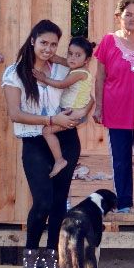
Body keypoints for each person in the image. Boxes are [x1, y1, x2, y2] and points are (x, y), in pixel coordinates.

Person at [2, 20, 82, 268]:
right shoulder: (15, 73)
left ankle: (51, 257)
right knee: (43, 202)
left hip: (66, 139)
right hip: (35, 141)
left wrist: (82, 112)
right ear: (32, 40)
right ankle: (30, 256)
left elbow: (81, 70)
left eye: (54, 44)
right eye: (43, 42)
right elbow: (15, 114)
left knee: (59, 203)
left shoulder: (61, 69)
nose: (48, 49)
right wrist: (50, 121)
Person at [93, 0, 134, 213]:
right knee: (120, 161)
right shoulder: (108, 41)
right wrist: (99, 108)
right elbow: (100, 77)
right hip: (117, 112)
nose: (133, 18)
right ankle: (124, 204)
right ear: (118, 17)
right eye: (128, 14)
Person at [36, 36, 96, 178]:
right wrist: (51, 55)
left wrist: (44, 78)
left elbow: (62, 84)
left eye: (77, 55)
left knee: (46, 131)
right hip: (70, 112)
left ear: (86, 60)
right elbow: (58, 60)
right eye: (70, 53)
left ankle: (60, 160)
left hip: (72, 114)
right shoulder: (76, 66)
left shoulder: (80, 73)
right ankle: (60, 160)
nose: (72, 58)